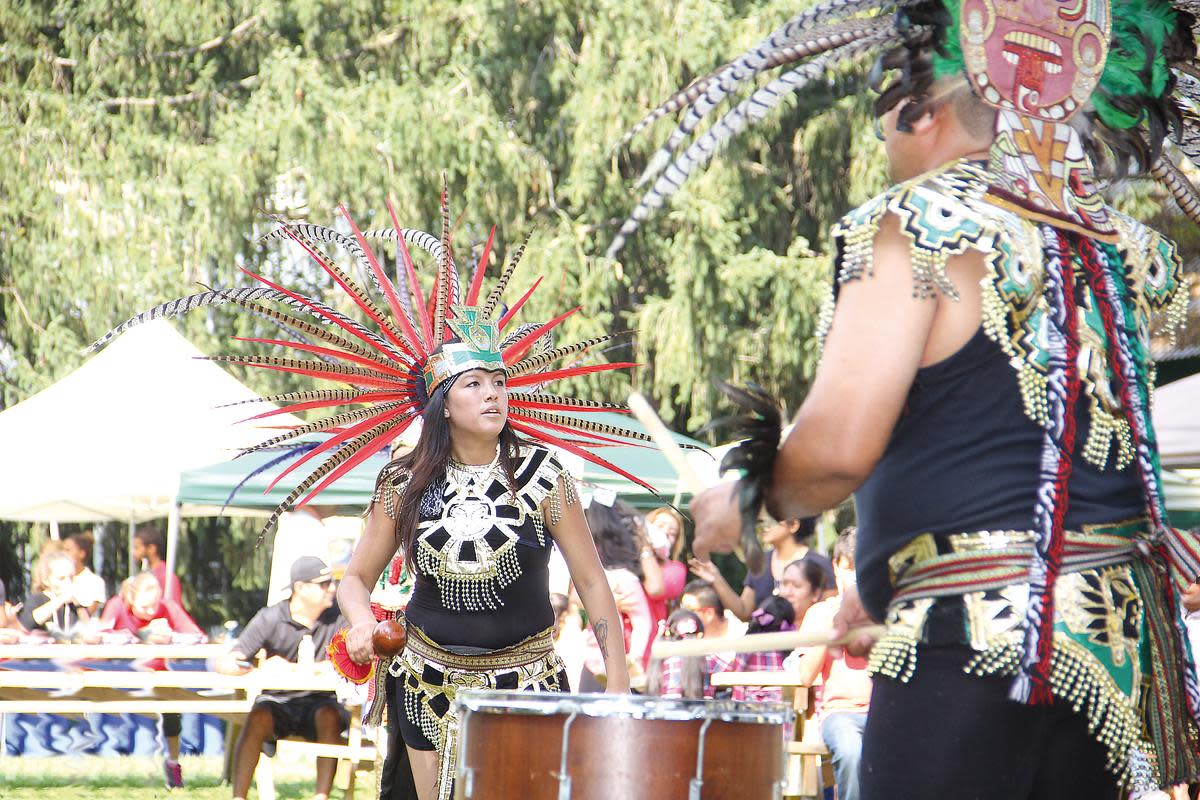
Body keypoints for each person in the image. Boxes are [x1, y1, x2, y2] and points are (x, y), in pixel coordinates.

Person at [646, 0, 1200, 795]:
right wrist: (876, 583)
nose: (886, 152)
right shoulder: (1113, 251)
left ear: (922, 114)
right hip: (1111, 657)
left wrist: (744, 495)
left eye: (885, 129)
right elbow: (1038, 453)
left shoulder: (918, 224)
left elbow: (836, 451)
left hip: (970, 644)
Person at [91, 194, 658, 800]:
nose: (494, 393)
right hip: (428, 681)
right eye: (475, 383)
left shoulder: (545, 475)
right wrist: (360, 622)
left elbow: (594, 584)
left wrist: (619, 686)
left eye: (499, 382)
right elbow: (356, 579)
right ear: (443, 401)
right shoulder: (405, 481)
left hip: (529, 681)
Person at [213, 556, 347, 800]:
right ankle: (238, 797)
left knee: (330, 716)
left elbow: (354, 661)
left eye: (332, 582)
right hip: (278, 702)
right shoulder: (271, 617)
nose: (332, 588)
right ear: (300, 588)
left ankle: (321, 796)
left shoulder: (338, 617)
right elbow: (227, 661)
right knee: (257, 717)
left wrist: (309, 669)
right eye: (324, 584)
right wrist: (254, 670)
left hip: (320, 701)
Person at [102, 571, 206, 789]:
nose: (151, 612)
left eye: (154, 606)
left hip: (158, 673)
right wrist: (140, 637)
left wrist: (173, 638)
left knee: (172, 705)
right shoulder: (117, 605)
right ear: (131, 598)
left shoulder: (167, 607)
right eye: (144, 608)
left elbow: (198, 636)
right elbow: (99, 636)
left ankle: (173, 763)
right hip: (120, 671)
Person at [793, 529, 871, 800]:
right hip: (841, 712)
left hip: (885, 709)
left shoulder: (886, 611)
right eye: (849, 568)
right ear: (836, 567)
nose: (856, 577)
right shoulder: (820, 613)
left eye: (862, 567)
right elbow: (805, 676)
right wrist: (833, 623)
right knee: (851, 752)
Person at [690, 515, 833, 621]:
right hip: (767, 652)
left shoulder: (820, 564)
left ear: (793, 525)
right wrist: (716, 579)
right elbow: (744, 611)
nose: (764, 525)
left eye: (773, 518)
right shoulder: (761, 562)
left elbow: (830, 613)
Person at [578, 496, 654, 690]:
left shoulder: (623, 579)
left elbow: (642, 621)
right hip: (593, 660)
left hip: (608, 665)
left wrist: (633, 659)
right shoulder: (616, 577)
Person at [730, 594, 795, 703]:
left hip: (749, 706)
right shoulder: (791, 643)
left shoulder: (747, 643)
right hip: (781, 707)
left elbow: (738, 679)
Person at [18, 550, 90, 633]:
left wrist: (78, 605)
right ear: (46, 580)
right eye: (61, 578)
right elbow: (27, 624)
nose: (68, 583)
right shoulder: (37, 600)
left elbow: (88, 628)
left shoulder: (74, 604)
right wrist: (60, 599)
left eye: (71, 577)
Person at [643, 506, 689, 632]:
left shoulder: (676, 570)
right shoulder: (622, 558)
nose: (665, 532)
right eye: (660, 526)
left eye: (672, 533)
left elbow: (654, 589)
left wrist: (645, 549)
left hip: (649, 639)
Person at [132, 524, 182, 606]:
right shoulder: (145, 574)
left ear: (152, 549)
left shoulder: (167, 577)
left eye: (137, 547)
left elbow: (175, 610)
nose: (133, 553)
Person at [63, 530, 107, 614]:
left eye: (68, 550)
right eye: (62, 550)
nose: (63, 553)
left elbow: (89, 613)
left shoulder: (95, 582)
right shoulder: (57, 579)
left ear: (82, 553)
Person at [777, 558, 829, 629]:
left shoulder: (825, 627)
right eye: (784, 584)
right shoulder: (768, 624)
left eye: (797, 586)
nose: (787, 592)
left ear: (815, 593)